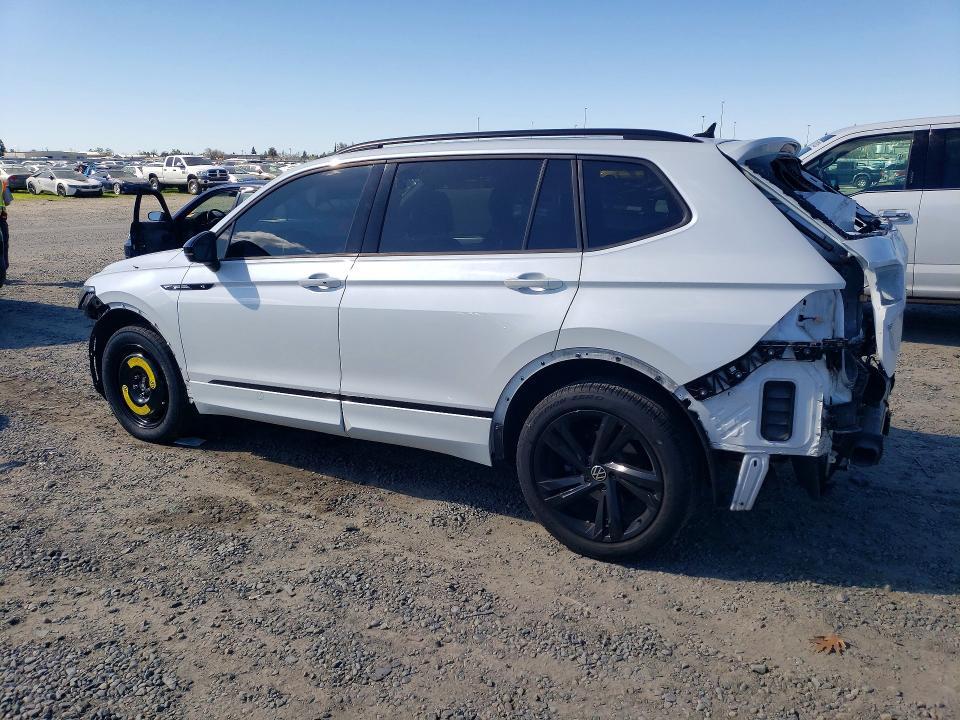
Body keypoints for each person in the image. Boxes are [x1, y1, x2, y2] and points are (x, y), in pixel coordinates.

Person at [0, 175, 10, 288]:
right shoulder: (2, 182)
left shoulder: (3, 182)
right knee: (4, 245)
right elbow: (7, 201)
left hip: (1, 217)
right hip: (1, 219)